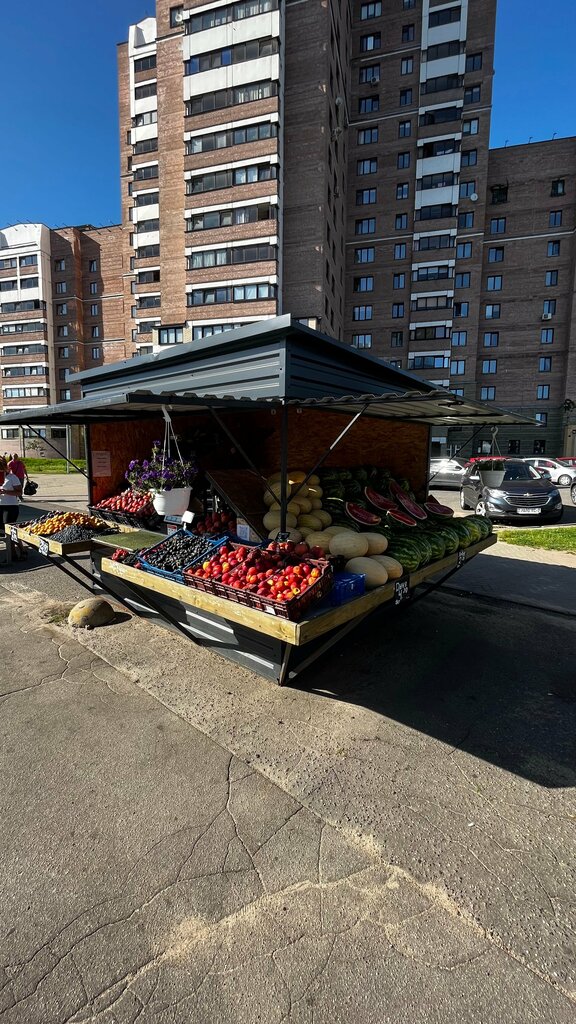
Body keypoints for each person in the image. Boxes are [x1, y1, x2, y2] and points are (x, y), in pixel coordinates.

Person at [0, 457, 22, 536]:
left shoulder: (12, 477)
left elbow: (19, 492)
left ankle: (14, 547)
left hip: (10, 506)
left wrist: (6, 492)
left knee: (8, 530)